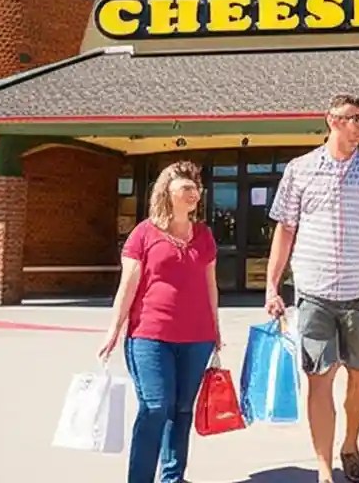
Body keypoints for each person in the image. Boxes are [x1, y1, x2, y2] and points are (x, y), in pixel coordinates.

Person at [263, 94, 359, 483]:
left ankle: (350, 445)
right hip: (314, 293)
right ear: (331, 120)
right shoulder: (299, 170)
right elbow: (285, 230)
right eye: (353, 118)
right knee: (320, 377)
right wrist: (272, 285)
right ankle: (324, 467)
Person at [98, 161, 221, 483]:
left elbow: (210, 285)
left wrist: (216, 329)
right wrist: (114, 329)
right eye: (186, 188)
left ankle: (172, 477)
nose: (194, 194)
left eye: (197, 188)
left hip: (197, 338)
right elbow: (128, 286)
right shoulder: (144, 233)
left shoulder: (204, 235)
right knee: (155, 407)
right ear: (167, 191)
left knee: (182, 409)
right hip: (150, 336)